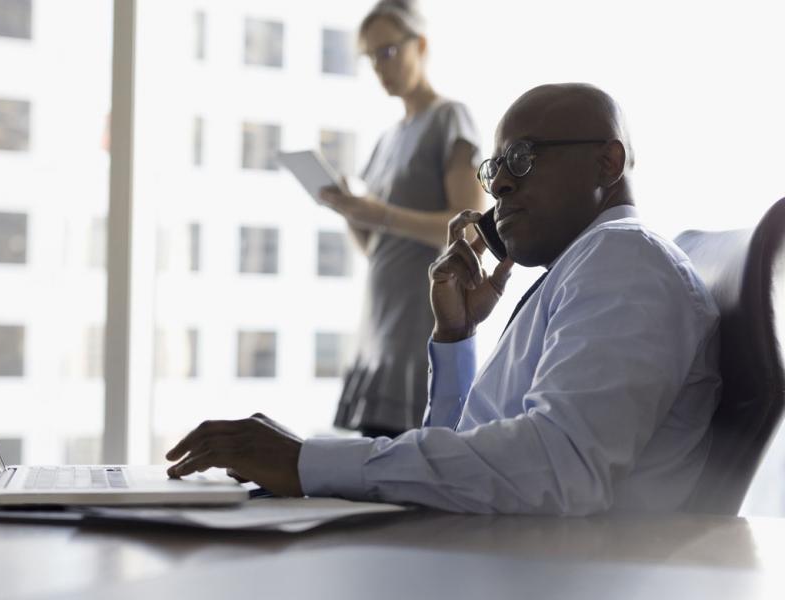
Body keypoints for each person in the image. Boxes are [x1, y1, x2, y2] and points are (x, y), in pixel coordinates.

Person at [166, 83, 722, 515]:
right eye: (495, 166)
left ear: (607, 163)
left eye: (522, 158)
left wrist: (305, 460)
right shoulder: (584, 269)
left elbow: (557, 470)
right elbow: (472, 462)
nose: (498, 185)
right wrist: (456, 339)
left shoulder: (625, 260)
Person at [318, 0, 485, 438]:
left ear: (421, 45)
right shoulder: (388, 138)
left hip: (418, 320)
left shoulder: (450, 118)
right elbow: (375, 249)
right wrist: (350, 211)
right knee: (373, 455)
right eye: (371, 57)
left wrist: (382, 214)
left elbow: (469, 227)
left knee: (407, 458)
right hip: (380, 324)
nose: (379, 66)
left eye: (388, 51)